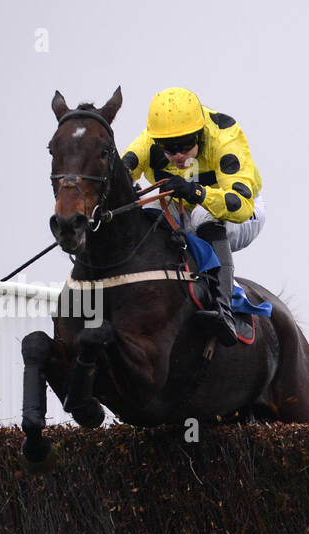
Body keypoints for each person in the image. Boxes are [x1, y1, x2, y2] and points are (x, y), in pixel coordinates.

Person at [121, 87, 264, 346]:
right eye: (168, 147)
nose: (177, 155)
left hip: (242, 213)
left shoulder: (225, 136)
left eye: (186, 145)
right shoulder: (148, 141)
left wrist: (197, 192)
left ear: (200, 133)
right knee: (147, 216)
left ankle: (224, 310)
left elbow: (240, 204)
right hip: (180, 207)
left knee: (203, 216)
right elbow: (117, 176)